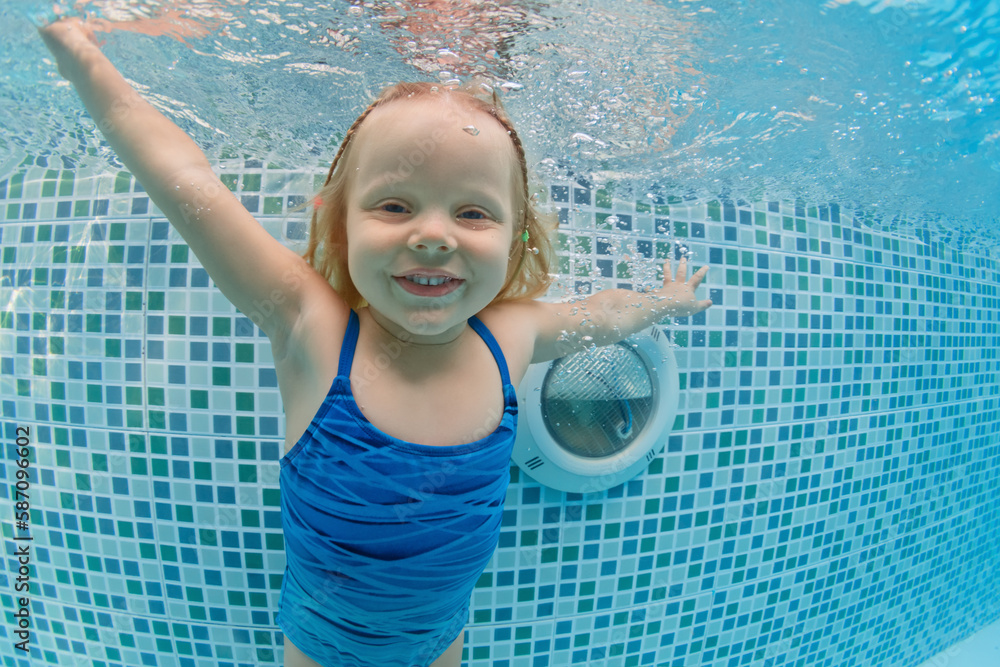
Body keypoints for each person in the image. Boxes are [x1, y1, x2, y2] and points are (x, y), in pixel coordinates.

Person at [38, 14, 711, 667]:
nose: (433, 234)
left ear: (517, 241)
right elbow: (185, 180)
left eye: (472, 211)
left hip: (440, 636)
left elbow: (600, 315)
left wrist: (662, 303)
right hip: (321, 645)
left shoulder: (510, 336)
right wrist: (85, 59)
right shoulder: (315, 329)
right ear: (338, 223)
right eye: (395, 204)